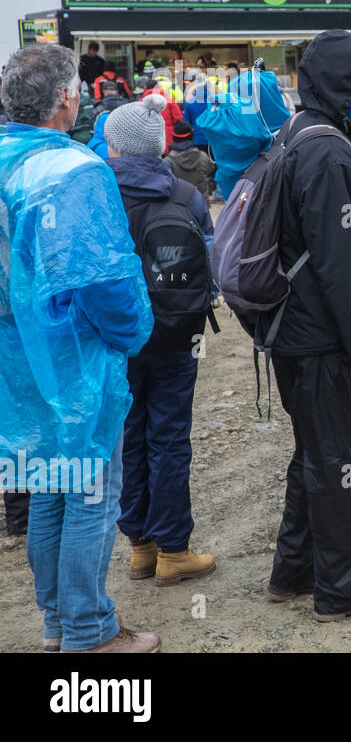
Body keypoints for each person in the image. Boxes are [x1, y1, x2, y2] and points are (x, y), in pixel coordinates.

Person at [1, 43, 159, 652]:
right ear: (67, 97)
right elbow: (102, 278)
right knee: (90, 491)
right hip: (74, 360)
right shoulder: (72, 170)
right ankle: (89, 632)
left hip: (18, 363)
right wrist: (132, 333)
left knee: (48, 484)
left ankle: (59, 623)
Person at [259, 30, 351, 621]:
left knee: (314, 452)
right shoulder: (331, 153)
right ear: (341, 78)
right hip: (319, 338)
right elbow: (344, 269)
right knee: (338, 461)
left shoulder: (299, 131)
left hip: (293, 329)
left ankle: (291, 573)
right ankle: (337, 591)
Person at [103, 101, 218, 587]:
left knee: (129, 433)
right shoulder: (186, 194)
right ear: (162, 145)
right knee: (169, 437)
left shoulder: (98, 193)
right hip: (177, 332)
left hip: (119, 336)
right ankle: (174, 550)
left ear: (113, 146)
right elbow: (210, 261)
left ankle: (140, 547)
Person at [165, 120, 217, 200]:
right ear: (192, 135)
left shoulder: (167, 162)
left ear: (173, 137)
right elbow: (210, 169)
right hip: (201, 203)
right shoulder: (203, 157)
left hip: (178, 203)